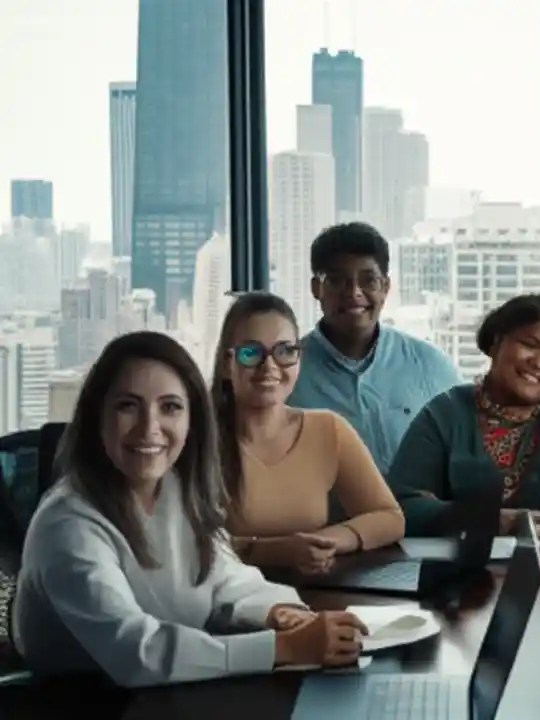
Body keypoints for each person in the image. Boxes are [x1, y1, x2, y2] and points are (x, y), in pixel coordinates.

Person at [12, 332, 367, 687]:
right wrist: (282, 648)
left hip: (174, 695)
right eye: (127, 406)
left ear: (191, 421)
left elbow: (226, 579)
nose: (149, 429)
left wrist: (280, 613)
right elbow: (136, 652)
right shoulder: (67, 524)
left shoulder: (177, 490)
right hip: (76, 705)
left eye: (170, 407)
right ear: (95, 417)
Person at [387, 293, 540, 539]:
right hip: (459, 569)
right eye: (529, 345)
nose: (539, 362)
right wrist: (490, 520)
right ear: (496, 343)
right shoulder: (444, 413)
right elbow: (399, 507)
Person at [211, 292, 405, 575]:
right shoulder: (198, 438)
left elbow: (390, 518)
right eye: (251, 353)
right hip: (224, 602)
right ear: (228, 363)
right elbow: (182, 541)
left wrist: (327, 542)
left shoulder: (327, 429)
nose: (270, 367)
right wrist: (274, 551)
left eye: (284, 351)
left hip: (315, 597)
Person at [288, 222, 462, 473]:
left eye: (368, 281)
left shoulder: (430, 365)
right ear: (316, 288)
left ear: (386, 288)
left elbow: (468, 448)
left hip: (426, 513)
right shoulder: (288, 374)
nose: (354, 293)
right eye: (337, 281)